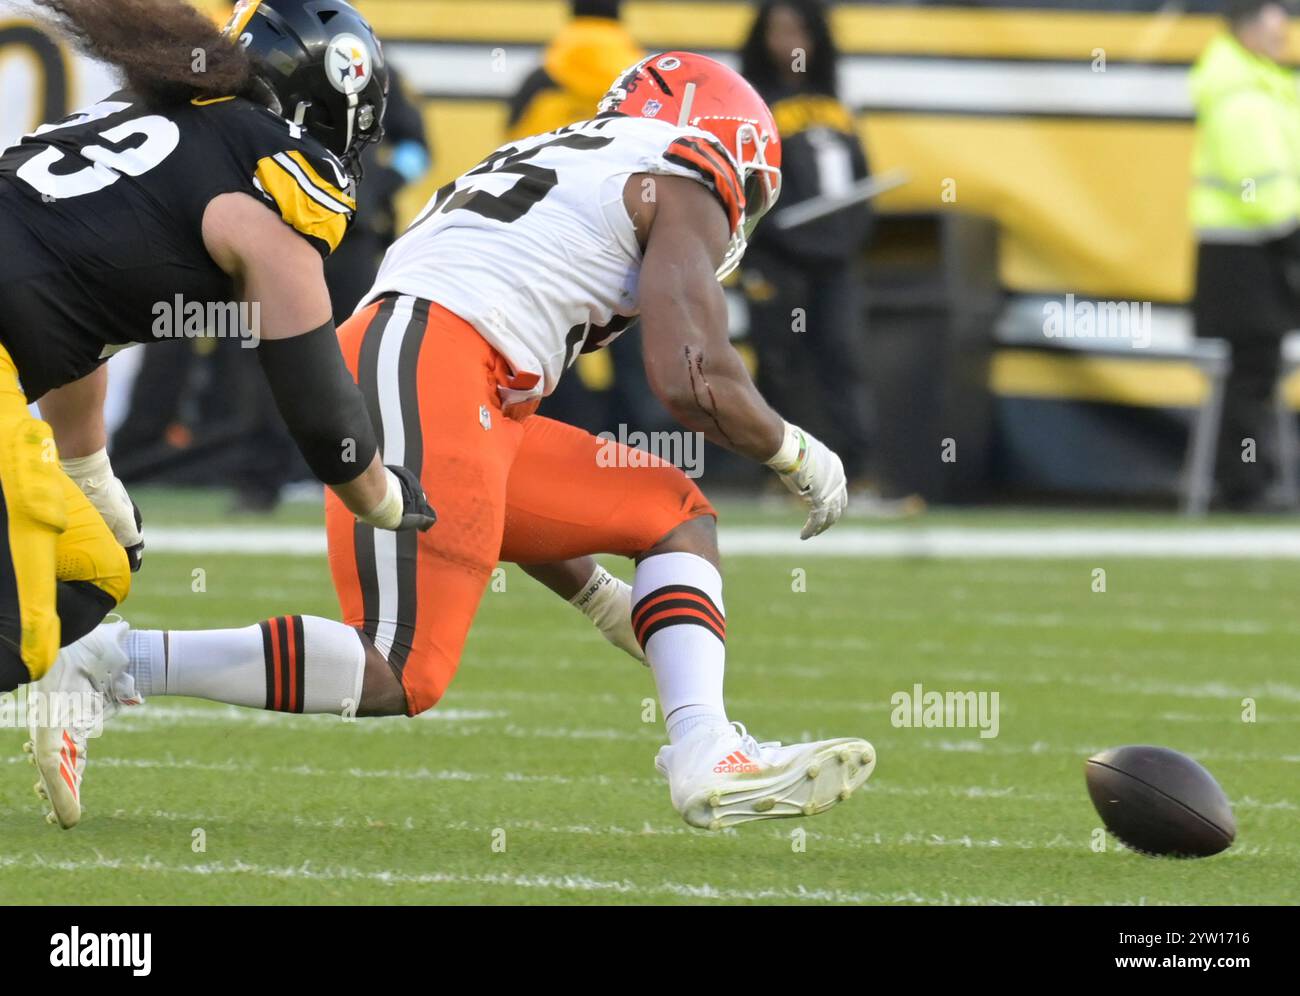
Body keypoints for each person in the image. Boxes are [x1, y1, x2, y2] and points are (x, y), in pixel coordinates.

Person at [49, 53, 874, 832]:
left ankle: (705, 750)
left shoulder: (576, 157)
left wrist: (595, 597)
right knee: (401, 670)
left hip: (439, 368)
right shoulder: (684, 165)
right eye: (749, 189)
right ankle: (110, 662)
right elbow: (692, 375)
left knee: (673, 513)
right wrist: (795, 451)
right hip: (429, 357)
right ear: (717, 137)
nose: (741, 211)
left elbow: (485, 471)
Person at [2, 0, 436, 825]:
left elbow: (72, 323)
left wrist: (90, 470)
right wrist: (382, 494)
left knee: (97, 563)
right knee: (17, 633)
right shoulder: (266, 178)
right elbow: (321, 415)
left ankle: (77, 668)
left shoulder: (136, 123)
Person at [738, 0, 875, 485]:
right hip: (776, 261)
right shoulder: (749, 102)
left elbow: (861, 184)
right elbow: (746, 185)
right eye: (778, 30)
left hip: (834, 263)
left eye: (799, 30)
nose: (789, 42)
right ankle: (783, 478)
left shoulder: (836, 105)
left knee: (843, 358)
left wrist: (842, 239)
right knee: (779, 364)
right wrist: (778, 235)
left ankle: (856, 476)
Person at [1191, 0, 1300, 510]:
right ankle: (1242, 485)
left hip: (1252, 252)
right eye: (1276, 27)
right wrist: (1291, 235)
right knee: (1251, 372)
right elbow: (1259, 183)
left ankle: (1253, 478)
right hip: (1244, 257)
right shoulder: (1240, 93)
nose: (1285, 37)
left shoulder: (1257, 83)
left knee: (1256, 369)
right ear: (1248, 28)